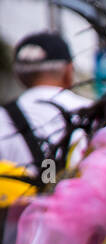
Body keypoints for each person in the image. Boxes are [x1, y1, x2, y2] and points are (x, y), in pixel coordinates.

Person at [0, 33, 91, 180]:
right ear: (68, 70)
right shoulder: (93, 112)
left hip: (16, 202)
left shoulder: (2, 117)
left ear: (18, 76)